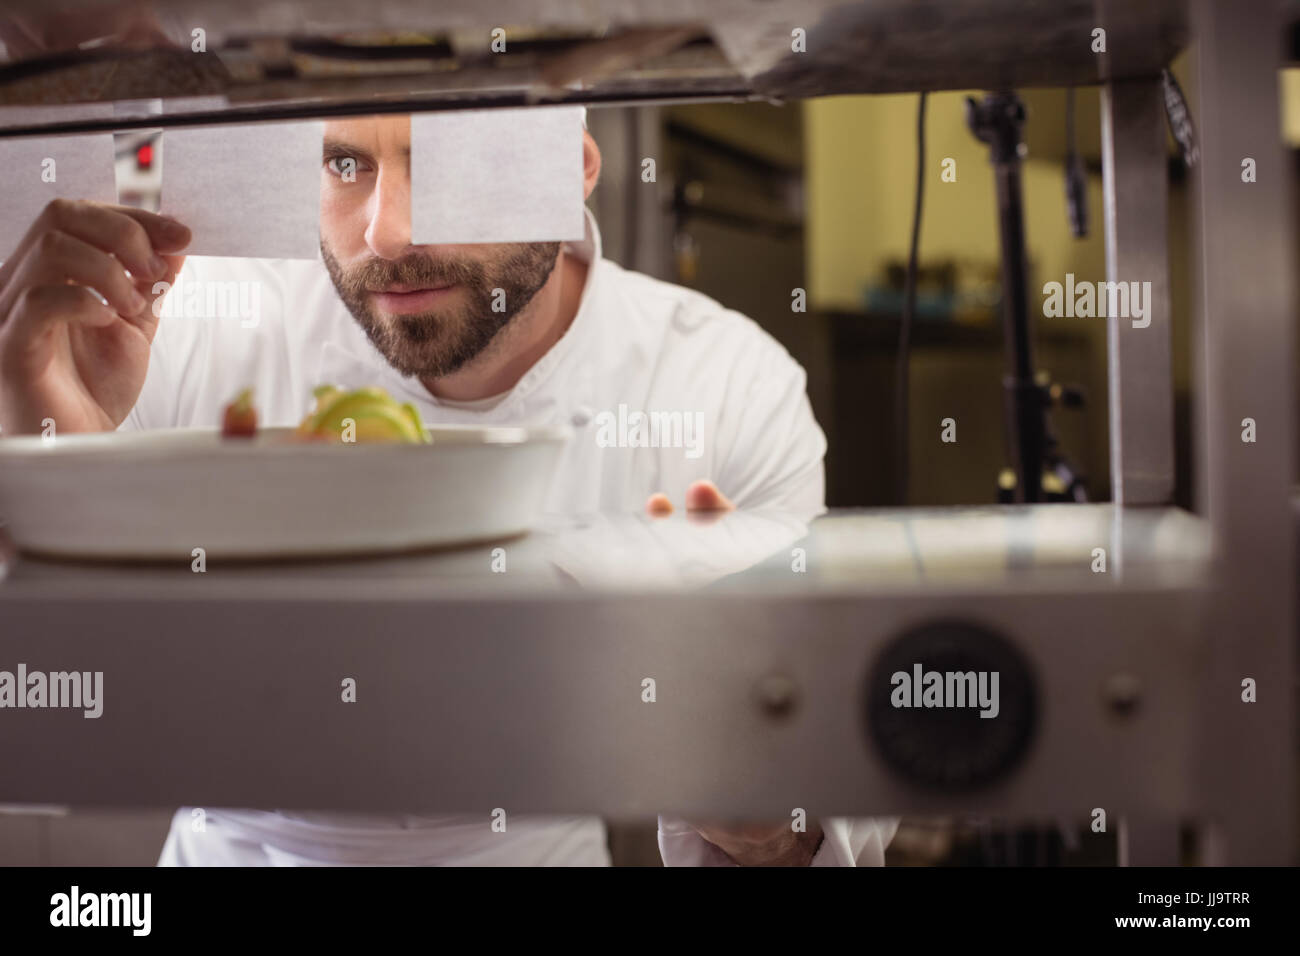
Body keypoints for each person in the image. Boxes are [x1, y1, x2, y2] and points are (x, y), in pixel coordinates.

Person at [0, 112, 897, 865]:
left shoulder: (721, 381)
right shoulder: (188, 323)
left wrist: (763, 812)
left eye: (445, 163)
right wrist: (42, 450)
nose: (387, 232)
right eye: (347, 164)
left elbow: (815, 781)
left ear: (573, 168)